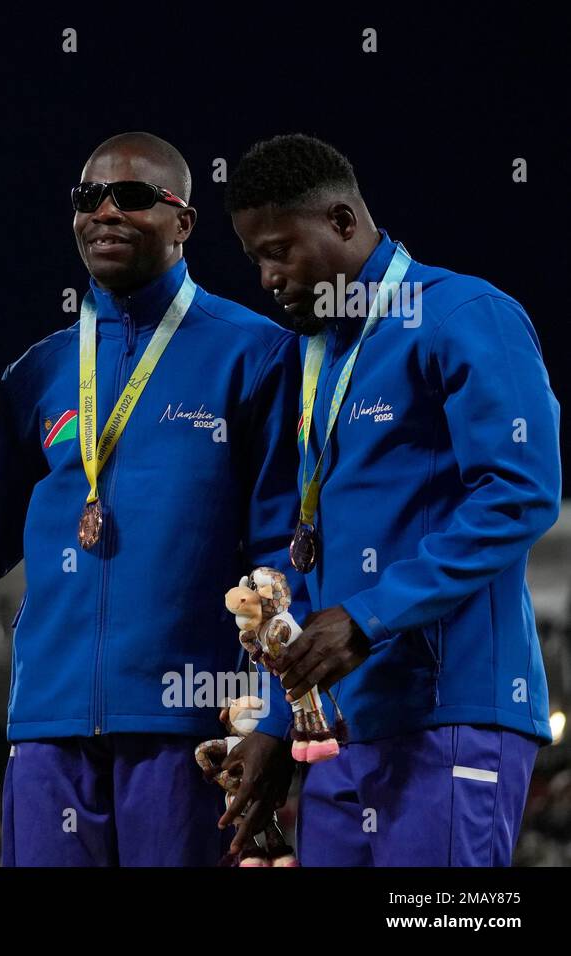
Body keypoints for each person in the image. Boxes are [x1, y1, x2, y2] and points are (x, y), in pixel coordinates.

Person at [0, 133, 302, 865]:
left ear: (184, 223)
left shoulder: (255, 354)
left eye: (132, 197)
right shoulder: (39, 372)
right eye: (88, 198)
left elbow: (280, 555)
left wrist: (270, 715)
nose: (105, 211)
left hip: (192, 726)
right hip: (48, 726)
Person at [227, 133, 560, 866]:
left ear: (343, 222)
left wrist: (370, 617)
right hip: (343, 731)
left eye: (281, 249)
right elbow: (307, 549)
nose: (268, 276)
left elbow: (520, 491)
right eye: (256, 257)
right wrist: (281, 724)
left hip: (453, 715)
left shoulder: (463, 313)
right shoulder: (316, 357)